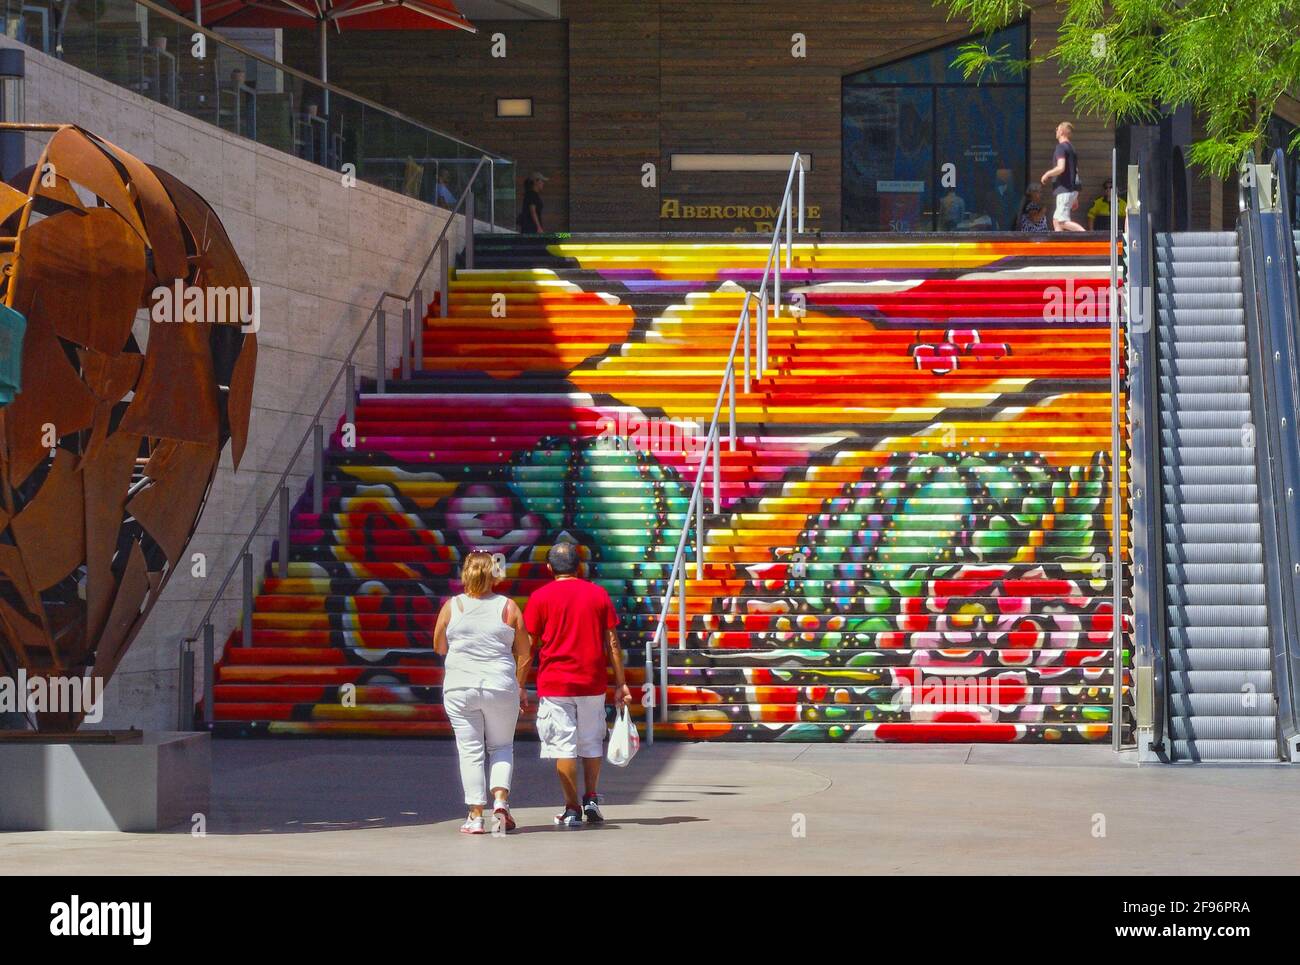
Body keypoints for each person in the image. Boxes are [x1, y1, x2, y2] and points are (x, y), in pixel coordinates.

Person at [523, 540, 631, 829]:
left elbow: (530, 646)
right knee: (591, 741)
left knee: (563, 747)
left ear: (548, 568)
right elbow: (612, 642)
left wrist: (519, 684)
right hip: (592, 682)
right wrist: (621, 684)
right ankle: (591, 798)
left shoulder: (540, 597)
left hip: (555, 684)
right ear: (579, 566)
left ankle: (572, 809)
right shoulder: (597, 594)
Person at [433, 551, 532, 835]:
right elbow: (524, 652)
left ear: (465, 573)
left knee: (470, 751)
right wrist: (520, 684)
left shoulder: (452, 606)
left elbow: (439, 646)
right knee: (501, 746)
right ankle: (500, 803)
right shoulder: (508, 607)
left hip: (459, 687)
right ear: (494, 574)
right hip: (500, 685)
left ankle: (475, 816)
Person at [1039, 121, 1085, 232]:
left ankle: (1087, 236)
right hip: (1070, 190)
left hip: (1064, 189)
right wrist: (1075, 196)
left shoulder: (1061, 147)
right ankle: (1060, 245)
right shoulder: (1072, 149)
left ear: (1062, 131)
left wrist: (1047, 174)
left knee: (1061, 221)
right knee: (1056, 220)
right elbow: (1076, 171)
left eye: (1057, 129)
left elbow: (1061, 168)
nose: (1056, 131)